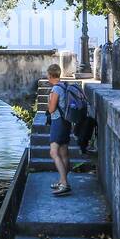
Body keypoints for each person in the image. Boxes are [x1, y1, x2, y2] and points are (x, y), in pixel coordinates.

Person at [46, 63, 80, 197]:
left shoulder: (55, 89)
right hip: (66, 122)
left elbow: (51, 109)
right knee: (64, 153)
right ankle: (62, 181)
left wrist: (49, 101)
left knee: (53, 152)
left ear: (49, 75)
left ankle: (64, 183)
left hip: (58, 122)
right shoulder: (64, 86)